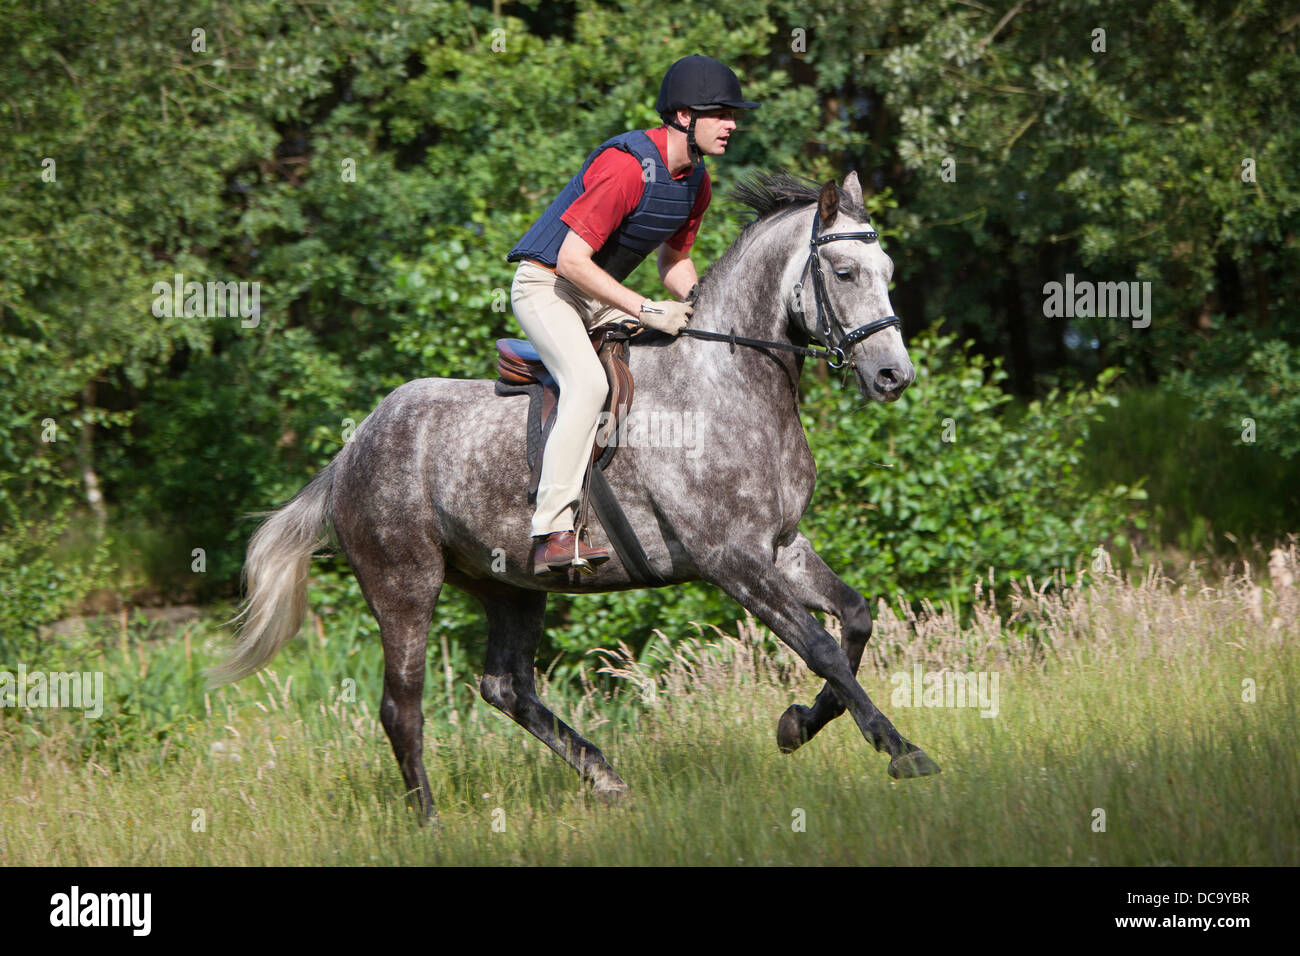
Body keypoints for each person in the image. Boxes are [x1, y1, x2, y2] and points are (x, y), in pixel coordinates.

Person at [506, 54, 759, 576]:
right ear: (685, 117)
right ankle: (550, 531)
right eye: (722, 113)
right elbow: (572, 260)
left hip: (596, 294)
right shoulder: (625, 166)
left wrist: (704, 313)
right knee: (587, 385)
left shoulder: (696, 180)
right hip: (547, 285)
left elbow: (675, 261)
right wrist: (646, 308)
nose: (733, 124)